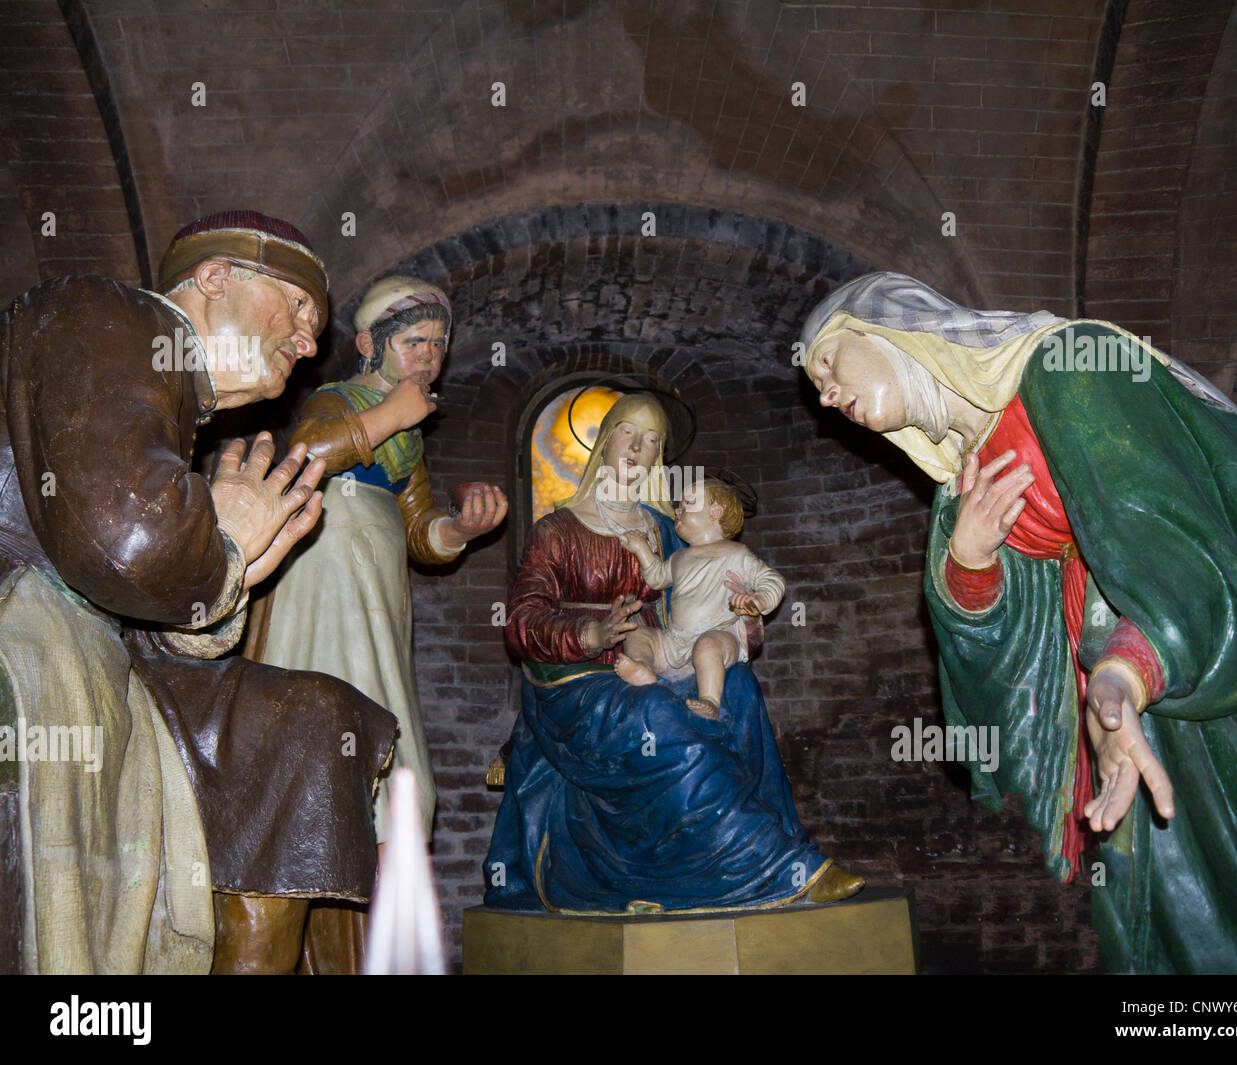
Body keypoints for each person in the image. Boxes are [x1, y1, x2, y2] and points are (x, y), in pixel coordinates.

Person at [802, 270, 1237, 973]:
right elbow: (988, 672)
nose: (824, 392)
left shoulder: (1069, 365)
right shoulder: (958, 490)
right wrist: (970, 566)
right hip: (1098, 725)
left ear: (889, 324)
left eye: (828, 359)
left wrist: (1124, 674)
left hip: (1199, 701)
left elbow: (1184, 547)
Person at [0, 210, 396, 974]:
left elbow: (144, 590)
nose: (311, 345)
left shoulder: (174, 397)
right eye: (300, 310)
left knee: (314, 720)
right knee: (302, 728)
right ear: (214, 279)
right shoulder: (106, 312)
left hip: (107, 646)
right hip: (28, 618)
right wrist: (226, 550)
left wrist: (224, 578)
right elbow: (124, 539)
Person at [483, 391, 864, 912]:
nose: (638, 447)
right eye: (628, 433)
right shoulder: (558, 530)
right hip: (576, 678)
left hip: (666, 657)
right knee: (654, 713)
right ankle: (772, 865)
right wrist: (592, 635)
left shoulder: (667, 530)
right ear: (606, 439)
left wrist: (743, 616)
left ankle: (710, 868)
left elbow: (699, 606)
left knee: (739, 691)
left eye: (652, 440)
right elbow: (523, 622)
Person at [252, 275, 506, 841]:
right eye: (414, 342)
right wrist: (389, 416)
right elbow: (305, 456)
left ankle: (383, 830)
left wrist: (459, 529)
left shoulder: (410, 436)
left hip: (380, 593)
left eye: (438, 345)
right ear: (369, 346)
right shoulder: (336, 401)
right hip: (326, 584)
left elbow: (419, 531)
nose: (429, 357)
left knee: (390, 731)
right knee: (334, 706)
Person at [616, 477, 786, 720]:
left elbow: (773, 580)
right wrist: (641, 548)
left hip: (718, 635)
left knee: (707, 647)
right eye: (680, 505)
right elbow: (655, 577)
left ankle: (709, 701)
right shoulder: (679, 558)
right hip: (674, 642)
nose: (678, 509)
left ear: (715, 512)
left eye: (688, 504)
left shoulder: (737, 554)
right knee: (637, 634)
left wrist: (759, 600)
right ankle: (643, 670)